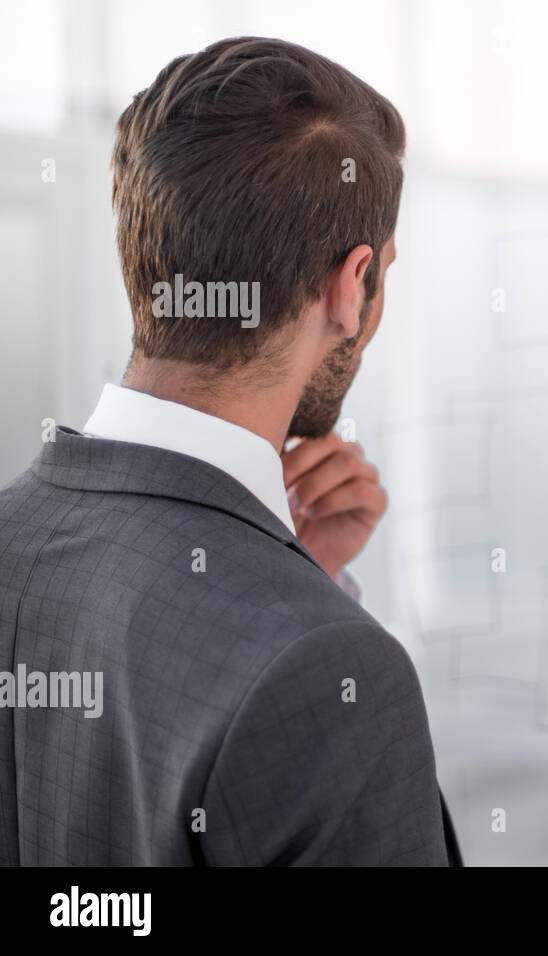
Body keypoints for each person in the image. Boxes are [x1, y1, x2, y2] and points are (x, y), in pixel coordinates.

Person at [0, 37, 460, 865]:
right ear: (349, 286)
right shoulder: (331, 670)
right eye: (382, 272)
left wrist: (290, 578)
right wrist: (296, 613)